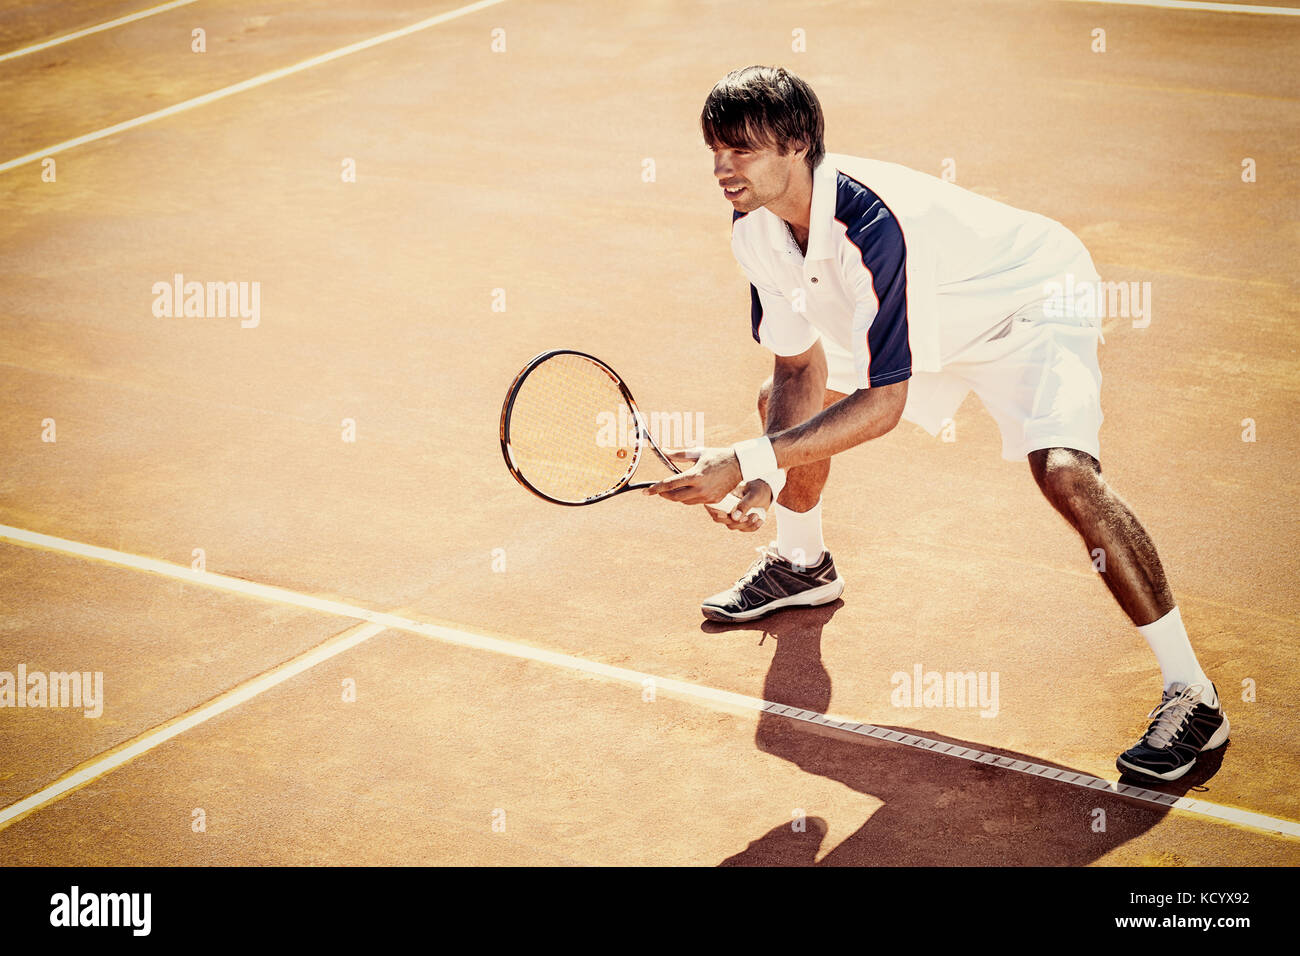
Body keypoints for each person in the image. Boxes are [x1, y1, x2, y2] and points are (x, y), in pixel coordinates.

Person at [643, 65, 1228, 782]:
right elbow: (800, 370)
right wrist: (761, 474)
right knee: (777, 404)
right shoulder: (755, 229)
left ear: (797, 145)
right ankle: (802, 564)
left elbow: (884, 407)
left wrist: (741, 461)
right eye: (715, 149)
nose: (721, 167)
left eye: (741, 149)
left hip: (1027, 300)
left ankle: (1193, 694)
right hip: (930, 314)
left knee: (1067, 473)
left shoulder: (870, 222)